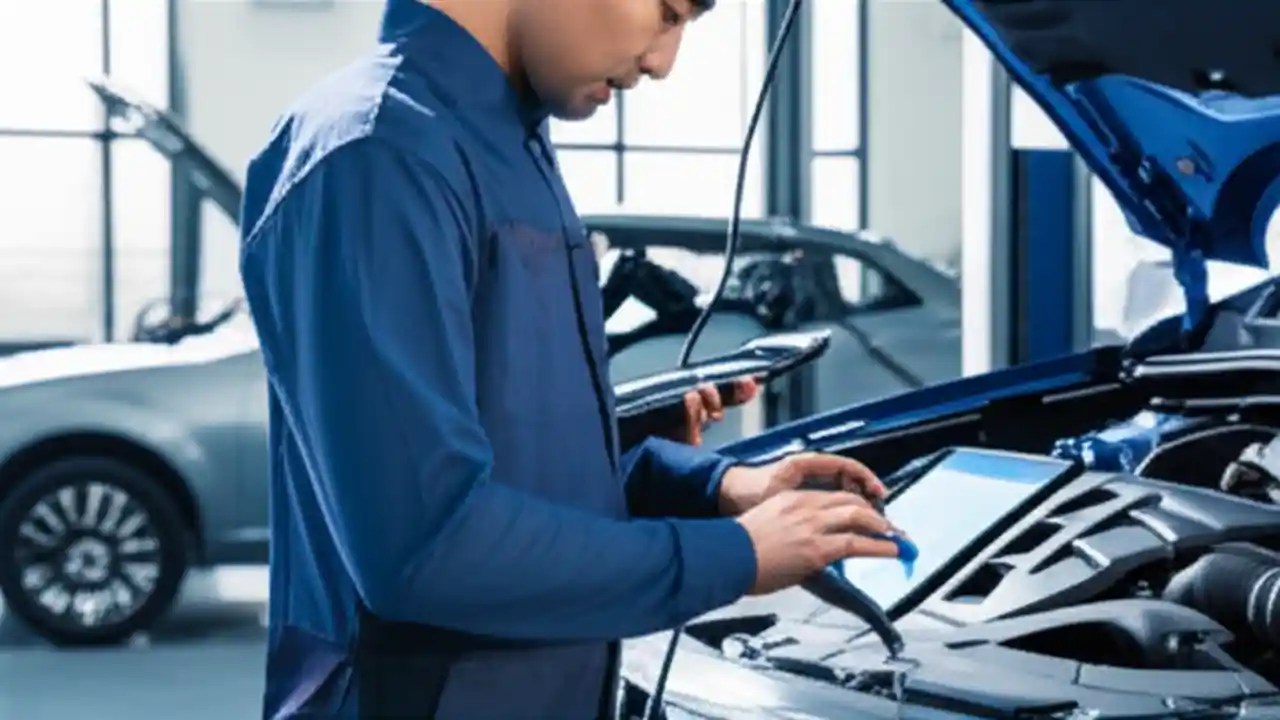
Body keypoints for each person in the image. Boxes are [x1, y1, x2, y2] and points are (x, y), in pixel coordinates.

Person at [237, 0, 901, 717]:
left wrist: (717, 489)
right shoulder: (378, 156)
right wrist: (736, 556)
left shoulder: (501, 143)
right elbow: (427, 546)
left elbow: (522, 462)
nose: (662, 62)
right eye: (669, 11)